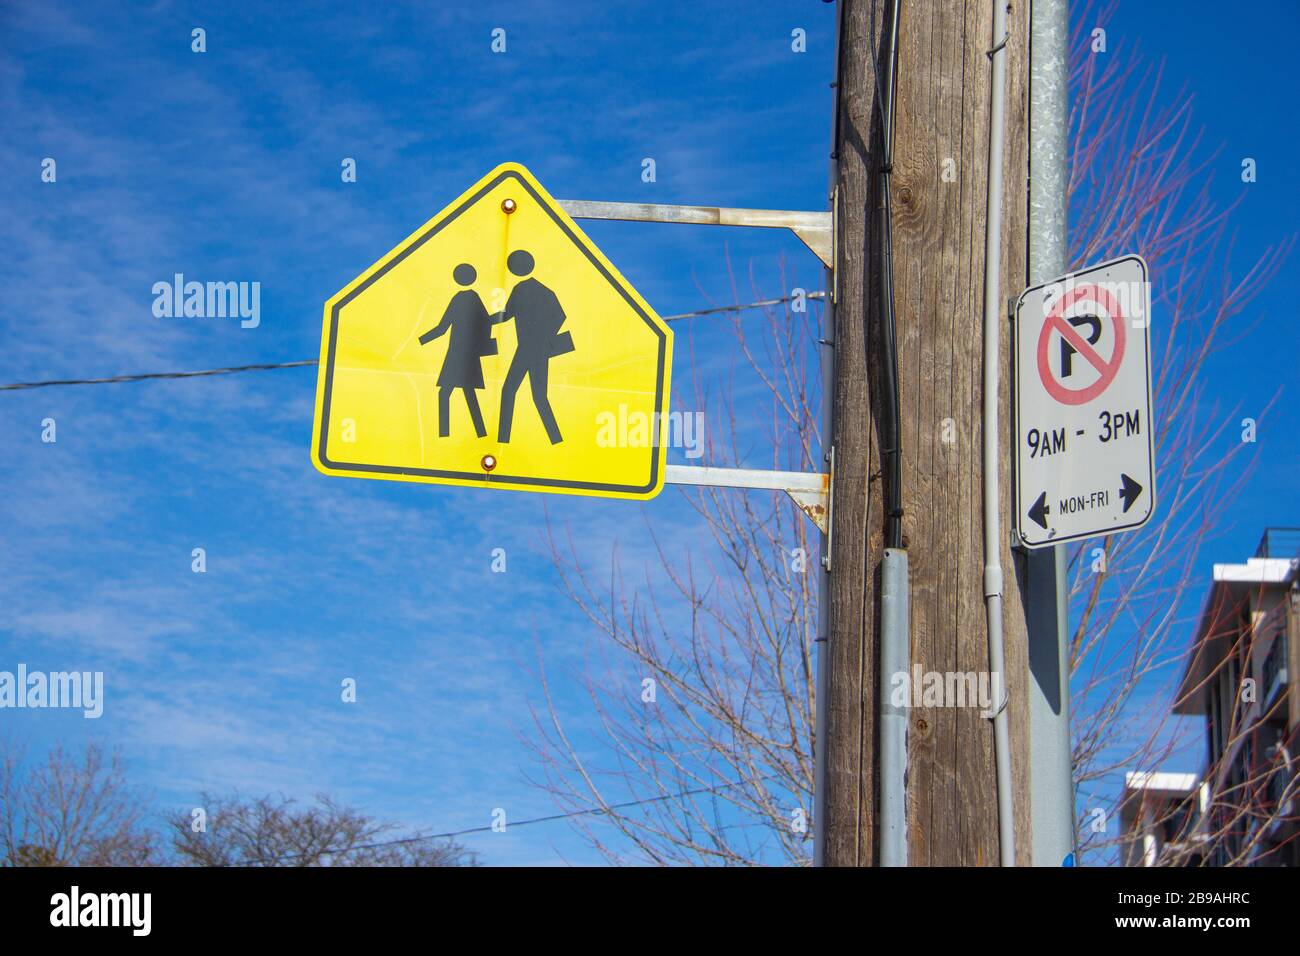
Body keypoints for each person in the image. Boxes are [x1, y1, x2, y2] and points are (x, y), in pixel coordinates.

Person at [493, 250, 573, 444]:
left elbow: (507, 314)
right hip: (536, 349)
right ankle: (555, 439)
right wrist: (546, 338)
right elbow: (559, 316)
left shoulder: (522, 289)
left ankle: (503, 440)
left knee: (510, 390)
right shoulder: (543, 290)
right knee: (538, 396)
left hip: (529, 348)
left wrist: (483, 321)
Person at [418, 263, 496, 438]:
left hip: (460, 354)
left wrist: (422, 340)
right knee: (464, 393)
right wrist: (422, 340)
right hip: (463, 354)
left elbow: (442, 327)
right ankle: (478, 433)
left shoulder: (463, 298)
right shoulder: (468, 298)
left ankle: (446, 433)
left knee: (447, 393)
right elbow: (485, 322)